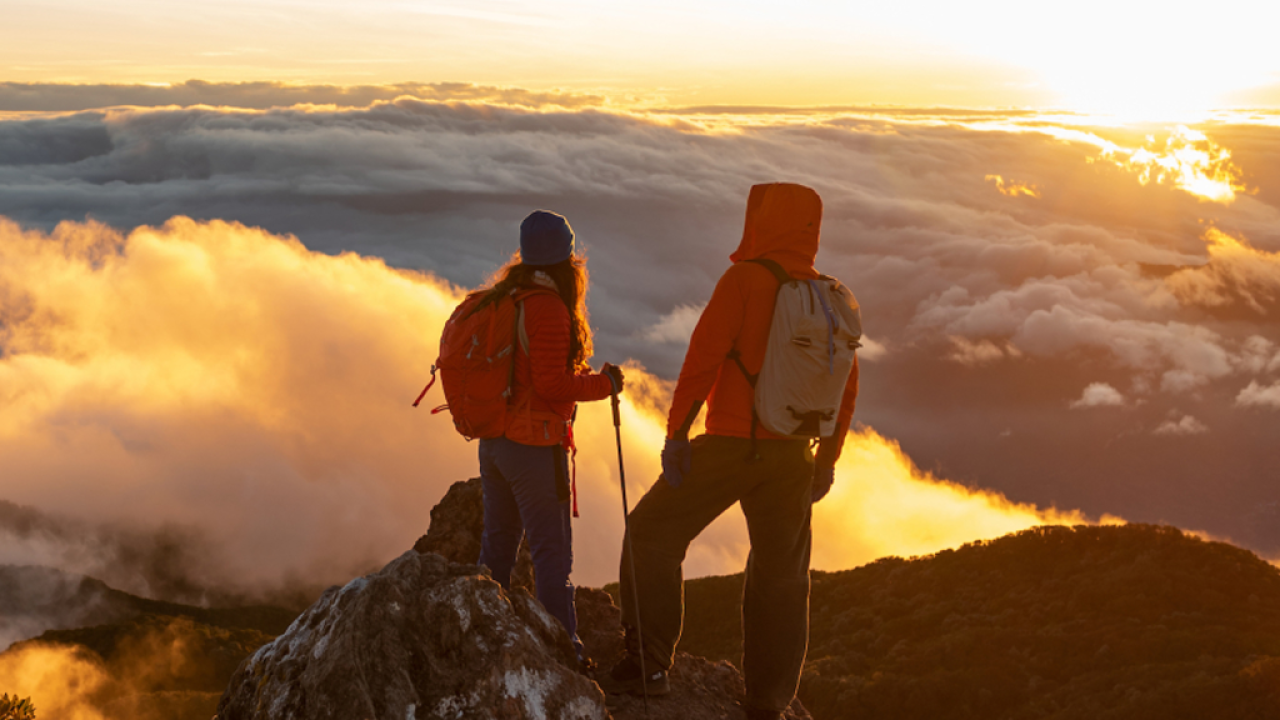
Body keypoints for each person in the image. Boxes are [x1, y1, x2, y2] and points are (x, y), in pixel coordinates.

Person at [600, 183, 859, 719]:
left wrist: (676, 435)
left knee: (652, 532)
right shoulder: (830, 295)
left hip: (731, 444)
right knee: (781, 576)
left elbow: (702, 360)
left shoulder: (743, 280)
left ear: (761, 222)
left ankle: (648, 666)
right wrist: (827, 461)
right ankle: (767, 702)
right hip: (795, 454)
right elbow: (845, 386)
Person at [475, 209, 624, 667]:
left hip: (494, 442)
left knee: (497, 545)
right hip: (534, 447)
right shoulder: (548, 308)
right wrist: (605, 385)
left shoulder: (505, 297)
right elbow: (551, 386)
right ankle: (564, 651)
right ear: (567, 259)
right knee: (551, 556)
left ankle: (480, 635)